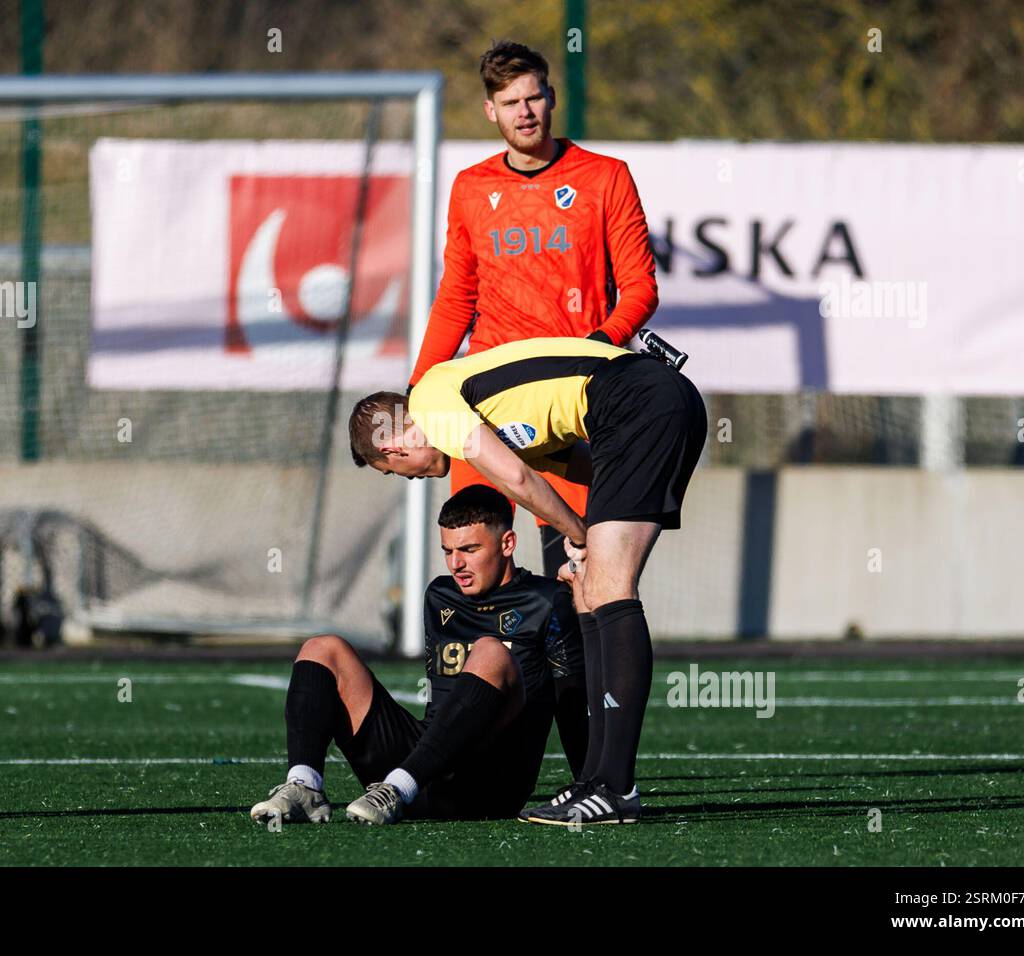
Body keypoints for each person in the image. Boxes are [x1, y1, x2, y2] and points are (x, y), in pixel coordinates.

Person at [349, 336, 707, 824]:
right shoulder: (496, 413)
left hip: (637, 401)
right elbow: (585, 466)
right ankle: (596, 781)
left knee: (606, 588)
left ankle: (615, 788)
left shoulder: (431, 401)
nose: (410, 478)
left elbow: (516, 481)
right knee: (591, 590)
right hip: (644, 404)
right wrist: (585, 543)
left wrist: (577, 535)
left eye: (393, 470)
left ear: (392, 446)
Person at [410, 40, 660, 580]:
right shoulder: (471, 188)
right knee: (477, 576)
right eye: (510, 102)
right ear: (490, 111)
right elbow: (456, 297)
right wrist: (418, 391)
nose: (524, 112)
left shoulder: (605, 177)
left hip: (567, 401)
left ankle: (577, 666)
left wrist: (602, 343)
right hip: (485, 401)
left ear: (551, 97)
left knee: (573, 575)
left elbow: (641, 287)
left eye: (533, 98)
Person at [249, 484, 585, 826]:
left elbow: (571, 700)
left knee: (490, 651)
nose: (457, 564)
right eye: (448, 551)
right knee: (322, 648)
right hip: (420, 770)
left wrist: (585, 782)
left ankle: (399, 786)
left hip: (488, 784)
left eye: (469, 549)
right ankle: (306, 787)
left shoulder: (549, 599)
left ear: (507, 543)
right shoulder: (439, 594)